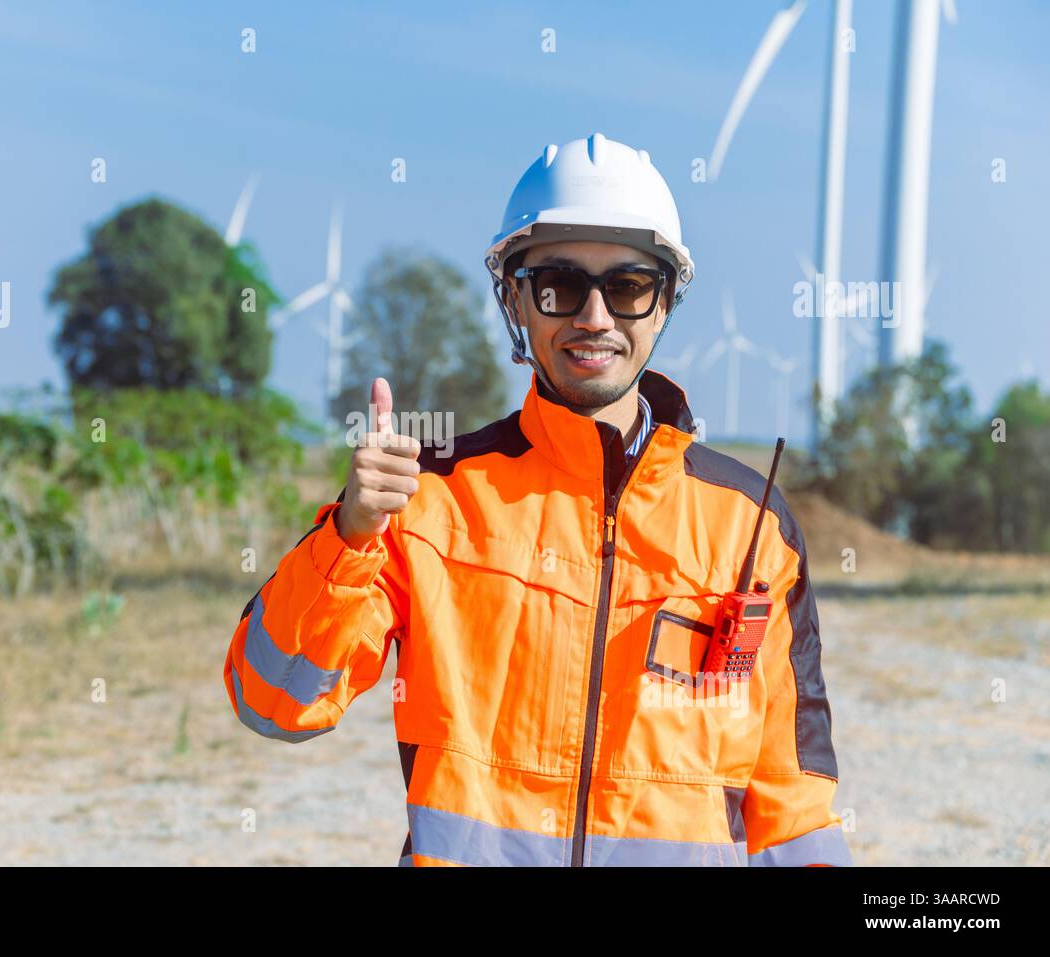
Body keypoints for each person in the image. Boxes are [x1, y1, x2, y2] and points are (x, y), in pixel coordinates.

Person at [222, 132, 852, 867]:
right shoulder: (430, 500)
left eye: (627, 285)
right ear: (517, 297)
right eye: (558, 284)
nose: (593, 317)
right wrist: (350, 538)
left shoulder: (752, 525)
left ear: (666, 301)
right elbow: (274, 702)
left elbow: (794, 805)